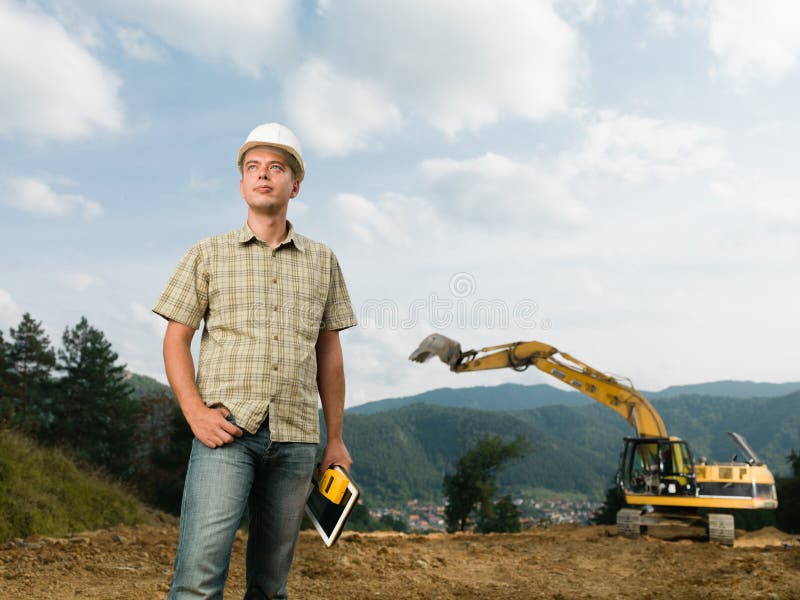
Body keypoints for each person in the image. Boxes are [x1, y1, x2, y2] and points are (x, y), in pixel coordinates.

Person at [153, 122, 357, 598]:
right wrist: (194, 413)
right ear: (243, 183)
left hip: (297, 439)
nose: (263, 175)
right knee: (198, 583)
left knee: (270, 588)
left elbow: (329, 353)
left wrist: (336, 440)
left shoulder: (323, 260)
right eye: (253, 168)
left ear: (295, 185)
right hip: (226, 435)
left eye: (276, 168)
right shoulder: (206, 254)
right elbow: (175, 340)